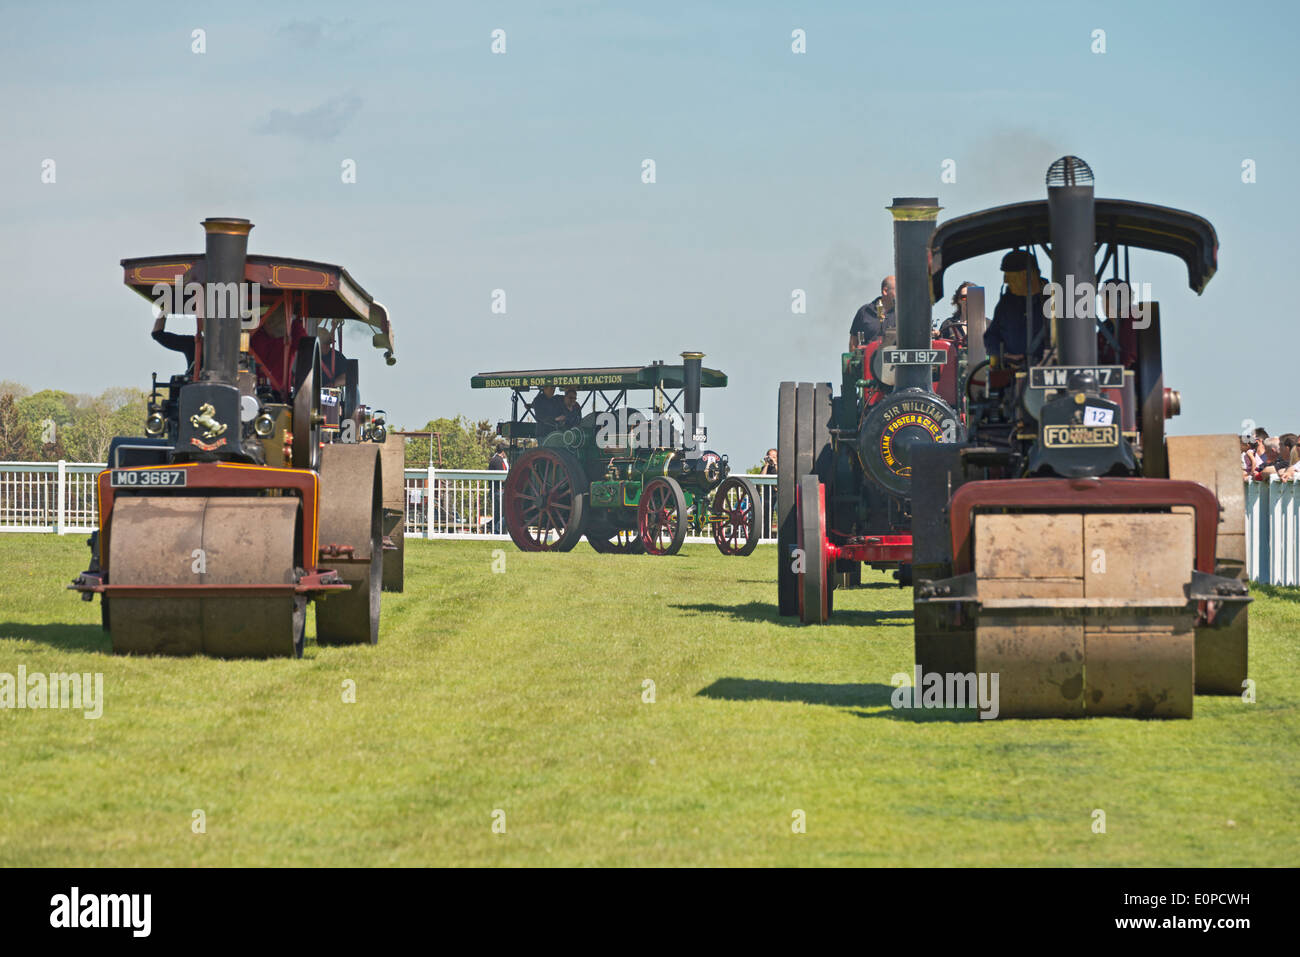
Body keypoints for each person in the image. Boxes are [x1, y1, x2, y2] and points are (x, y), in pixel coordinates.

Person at [983, 250, 1048, 365]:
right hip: (1012, 373)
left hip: (1048, 372)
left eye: (1011, 276)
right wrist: (1004, 355)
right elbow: (991, 336)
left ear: (1029, 275)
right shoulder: (1005, 304)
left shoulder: (1054, 301)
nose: (1005, 281)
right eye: (1005, 276)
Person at [849, 275, 896, 351]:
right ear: (885, 291)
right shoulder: (864, 312)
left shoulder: (903, 314)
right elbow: (853, 343)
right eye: (897, 290)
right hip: (868, 361)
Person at [488, 441, 509, 533]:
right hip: (498, 491)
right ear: (503, 451)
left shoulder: (497, 460)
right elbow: (502, 477)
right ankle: (496, 530)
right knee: (503, 513)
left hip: (498, 491)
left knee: (499, 514)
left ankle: (493, 529)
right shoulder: (497, 460)